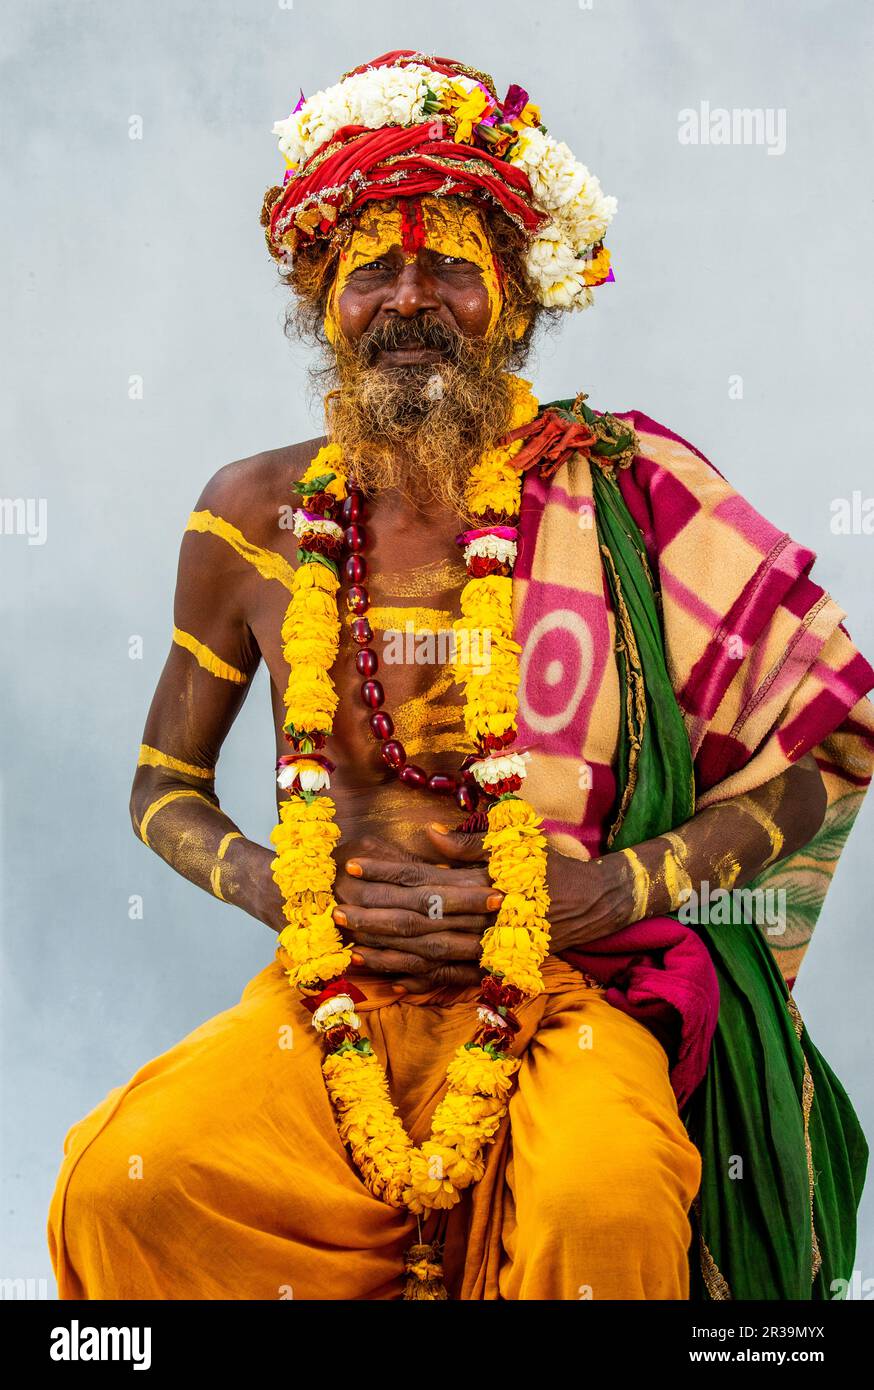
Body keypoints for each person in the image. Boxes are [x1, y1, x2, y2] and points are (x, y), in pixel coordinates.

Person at [48, 50, 874, 1301]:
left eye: (452, 268)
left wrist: (622, 885)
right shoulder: (252, 514)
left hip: (562, 988)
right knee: (125, 1183)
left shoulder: (625, 492)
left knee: (601, 1202)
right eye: (372, 265)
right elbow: (162, 784)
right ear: (322, 296)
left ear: (518, 301)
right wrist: (284, 891)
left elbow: (834, 741)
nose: (409, 297)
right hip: (336, 995)